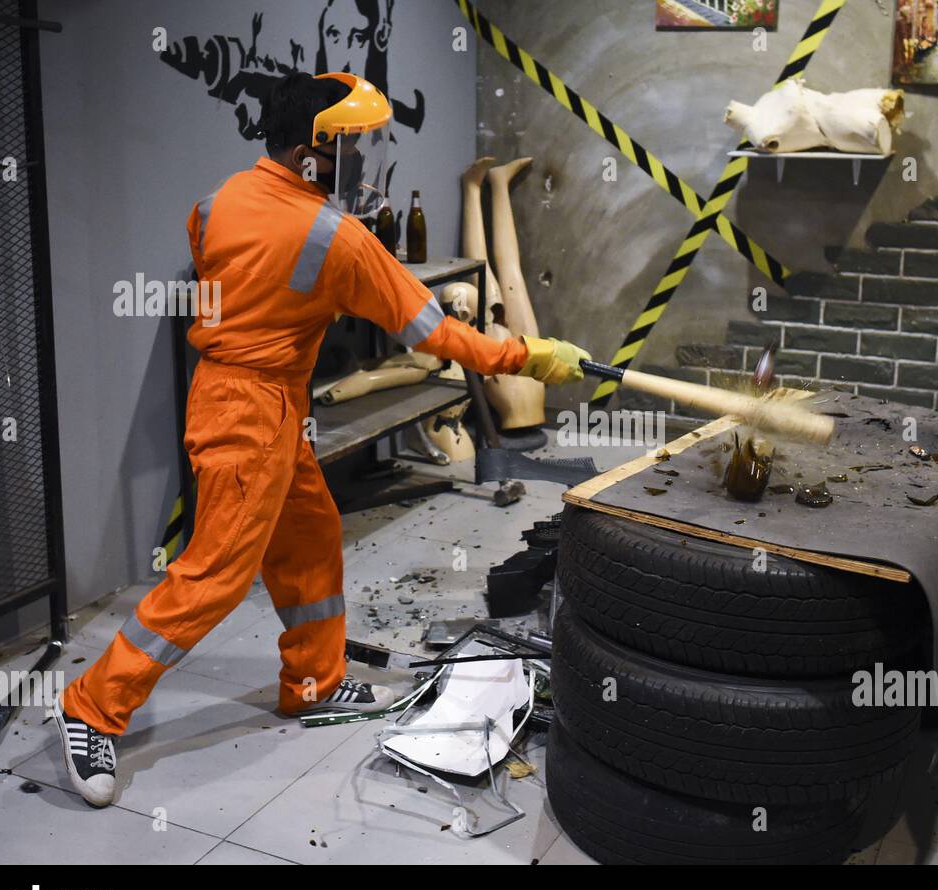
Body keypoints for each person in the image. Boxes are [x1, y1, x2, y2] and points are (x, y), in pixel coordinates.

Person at [55, 71, 589, 807]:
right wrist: (528, 356)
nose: (365, 159)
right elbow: (435, 334)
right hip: (251, 412)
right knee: (210, 576)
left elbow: (227, 266)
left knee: (309, 537)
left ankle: (312, 679)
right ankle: (90, 704)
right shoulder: (336, 237)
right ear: (317, 150)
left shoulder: (217, 202)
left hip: (242, 395)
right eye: (357, 145)